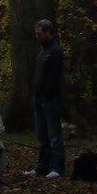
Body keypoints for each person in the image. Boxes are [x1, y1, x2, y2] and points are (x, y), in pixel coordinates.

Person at [28, 19, 65, 178]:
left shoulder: (55, 51)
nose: (37, 37)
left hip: (50, 99)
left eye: (40, 34)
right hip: (38, 97)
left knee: (53, 134)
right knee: (42, 135)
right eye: (36, 34)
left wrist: (47, 94)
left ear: (48, 32)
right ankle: (42, 166)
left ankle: (56, 166)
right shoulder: (41, 51)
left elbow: (54, 77)